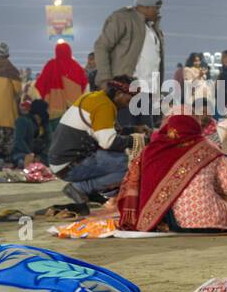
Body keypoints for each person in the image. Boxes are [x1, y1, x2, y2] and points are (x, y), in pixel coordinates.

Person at [117, 110, 227, 232]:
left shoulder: (153, 151)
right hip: (213, 222)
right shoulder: (211, 148)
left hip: (176, 223)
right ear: (195, 125)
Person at [48, 75, 141, 203]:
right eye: (130, 99)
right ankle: (81, 188)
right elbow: (108, 142)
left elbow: (103, 132)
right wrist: (138, 140)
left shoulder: (96, 97)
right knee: (130, 165)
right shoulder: (104, 106)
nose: (130, 104)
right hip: (70, 165)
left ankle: (91, 191)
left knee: (119, 155)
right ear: (119, 93)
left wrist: (134, 130)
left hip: (62, 161)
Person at [94, 0, 165, 129]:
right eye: (156, 8)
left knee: (146, 137)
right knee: (125, 134)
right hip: (126, 92)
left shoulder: (153, 29)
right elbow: (101, 46)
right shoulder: (123, 18)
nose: (158, 11)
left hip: (147, 92)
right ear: (145, 6)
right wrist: (105, 80)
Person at [35, 41, 89, 135]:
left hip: (53, 109)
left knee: (53, 137)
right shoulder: (76, 67)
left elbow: (40, 84)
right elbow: (84, 83)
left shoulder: (50, 65)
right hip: (71, 110)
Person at [11, 99, 51, 168]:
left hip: (39, 155)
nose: (48, 112)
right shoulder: (22, 120)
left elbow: (49, 141)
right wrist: (31, 155)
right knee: (24, 160)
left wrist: (40, 156)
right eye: (46, 110)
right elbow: (19, 141)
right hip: (22, 153)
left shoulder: (44, 124)